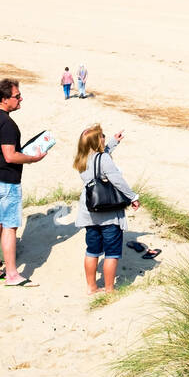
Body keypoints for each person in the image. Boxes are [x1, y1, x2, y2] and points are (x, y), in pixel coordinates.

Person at [0, 78, 47, 286]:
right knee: (10, 227)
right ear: (4, 99)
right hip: (6, 180)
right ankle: (11, 274)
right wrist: (33, 158)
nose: (20, 99)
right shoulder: (7, 123)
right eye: (17, 96)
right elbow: (10, 156)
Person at [74, 124, 153, 294]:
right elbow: (117, 180)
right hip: (108, 213)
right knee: (111, 252)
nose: (104, 136)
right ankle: (109, 289)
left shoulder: (82, 158)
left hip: (90, 212)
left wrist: (112, 142)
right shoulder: (103, 159)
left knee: (92, 251)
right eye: (102, 135)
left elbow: (99, 157)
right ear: (97, 141)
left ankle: (92, 287)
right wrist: (133, 197)